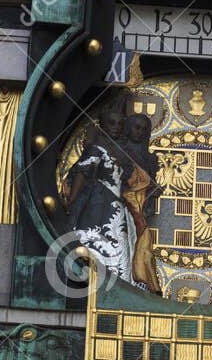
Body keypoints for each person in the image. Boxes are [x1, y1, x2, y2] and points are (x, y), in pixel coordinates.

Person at [61, 101, 159, 291]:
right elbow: (82, 172)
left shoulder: (121, 153)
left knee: (122, 243)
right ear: (102, 126)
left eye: (120, 125)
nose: (116, 128)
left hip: (118, 206)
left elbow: (132, 181)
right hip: (97, 203)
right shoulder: (96, 149)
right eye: (112, 123)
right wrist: (72, 201)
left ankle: (119, 285)